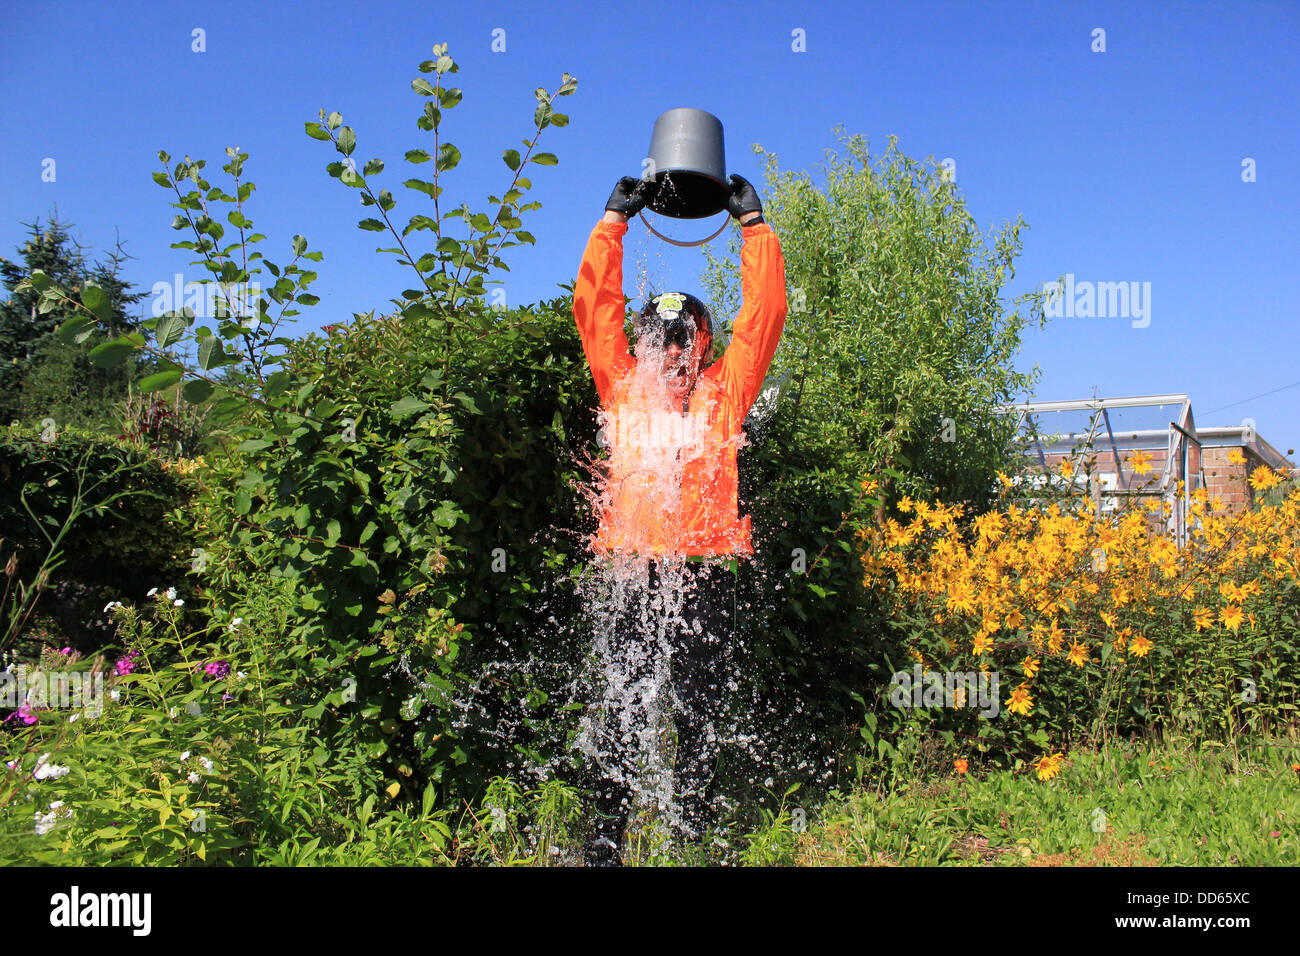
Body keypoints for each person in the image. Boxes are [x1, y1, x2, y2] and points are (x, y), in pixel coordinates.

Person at [571, 172, 787, 865]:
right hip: (632, 570)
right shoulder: (620, 387)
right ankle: (604, 847)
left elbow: (765, 317)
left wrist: (754, 228)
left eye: (686, 340)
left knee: (695, 715)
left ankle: (693, 842)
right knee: (622, 718)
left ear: (703, 347)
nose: (673, 352)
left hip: (705, 575)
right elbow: (594, 309)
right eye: (661, 338)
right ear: (642, 345)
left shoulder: (724, 394)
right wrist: (613, 223)